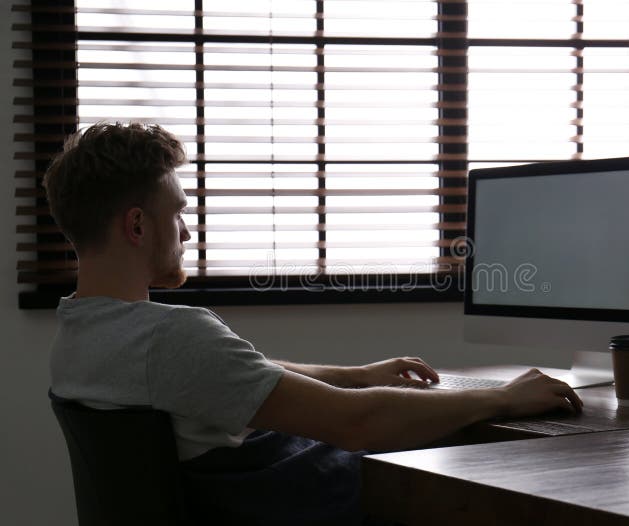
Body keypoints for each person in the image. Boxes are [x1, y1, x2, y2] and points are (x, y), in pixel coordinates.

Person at [45, 122, 583, 525]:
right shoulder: (173, 335)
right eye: (178, 212)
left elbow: (249, 373)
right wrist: (503, 399)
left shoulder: (82, 335)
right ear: (137, 225)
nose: (185, 233)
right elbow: (355, 424)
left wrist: (358, 373)